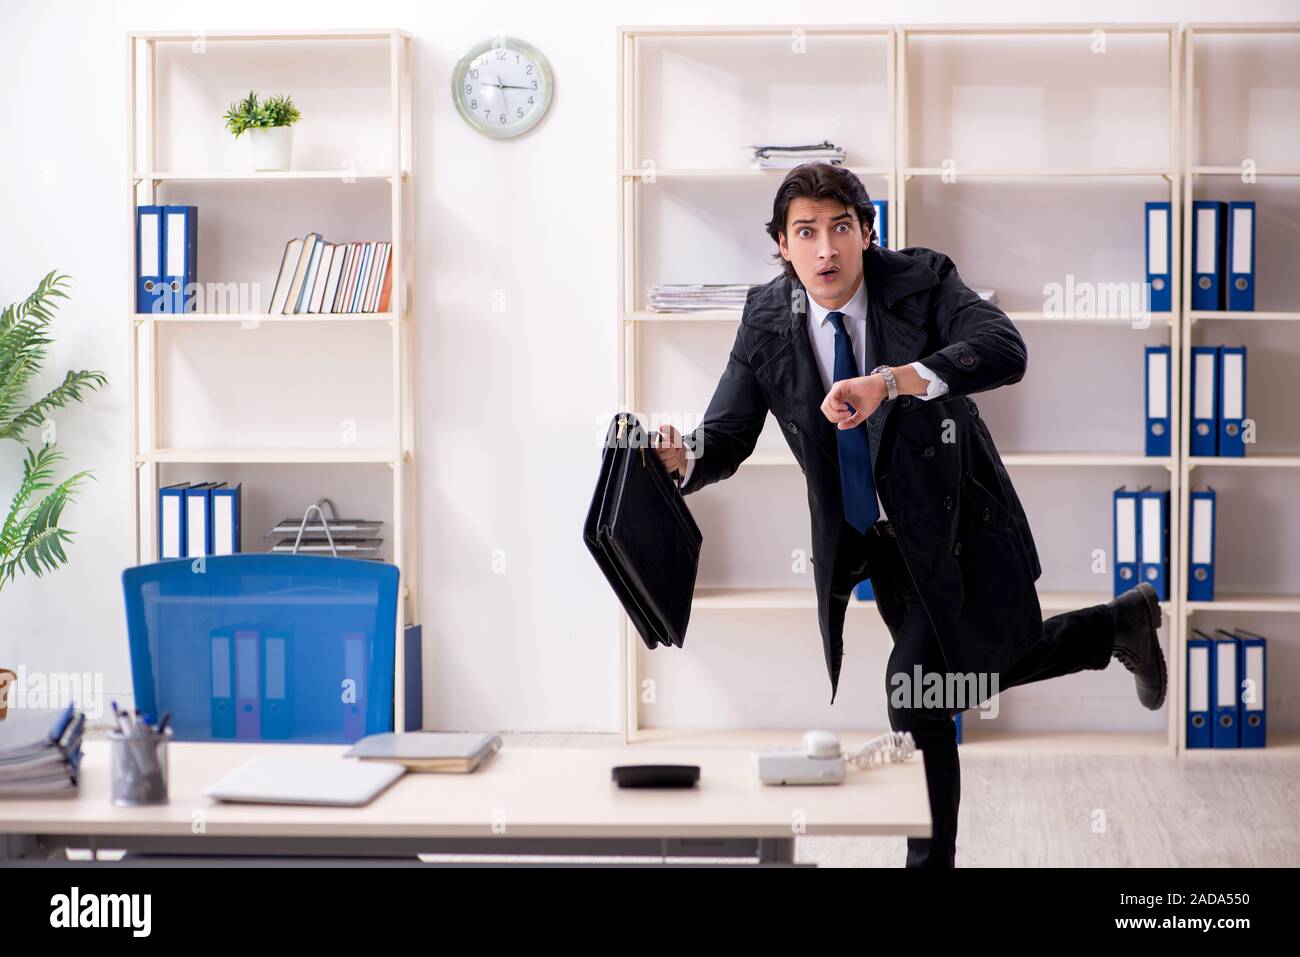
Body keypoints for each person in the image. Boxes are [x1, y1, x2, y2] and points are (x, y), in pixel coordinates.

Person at [654, 162, 1166, 868]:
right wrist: (684, 458)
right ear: (781, 244)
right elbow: (729, 431)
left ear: (868, 231)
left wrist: (894, 381)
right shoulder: (767, 316)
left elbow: (1005, 348)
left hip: (957, 528)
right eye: (805, 232)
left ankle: (931, 864)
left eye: (840, 228)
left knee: (917, 694)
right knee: (962, 672)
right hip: (876, 545)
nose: (825, 250)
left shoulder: (922, 281)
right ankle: (1116, 626)